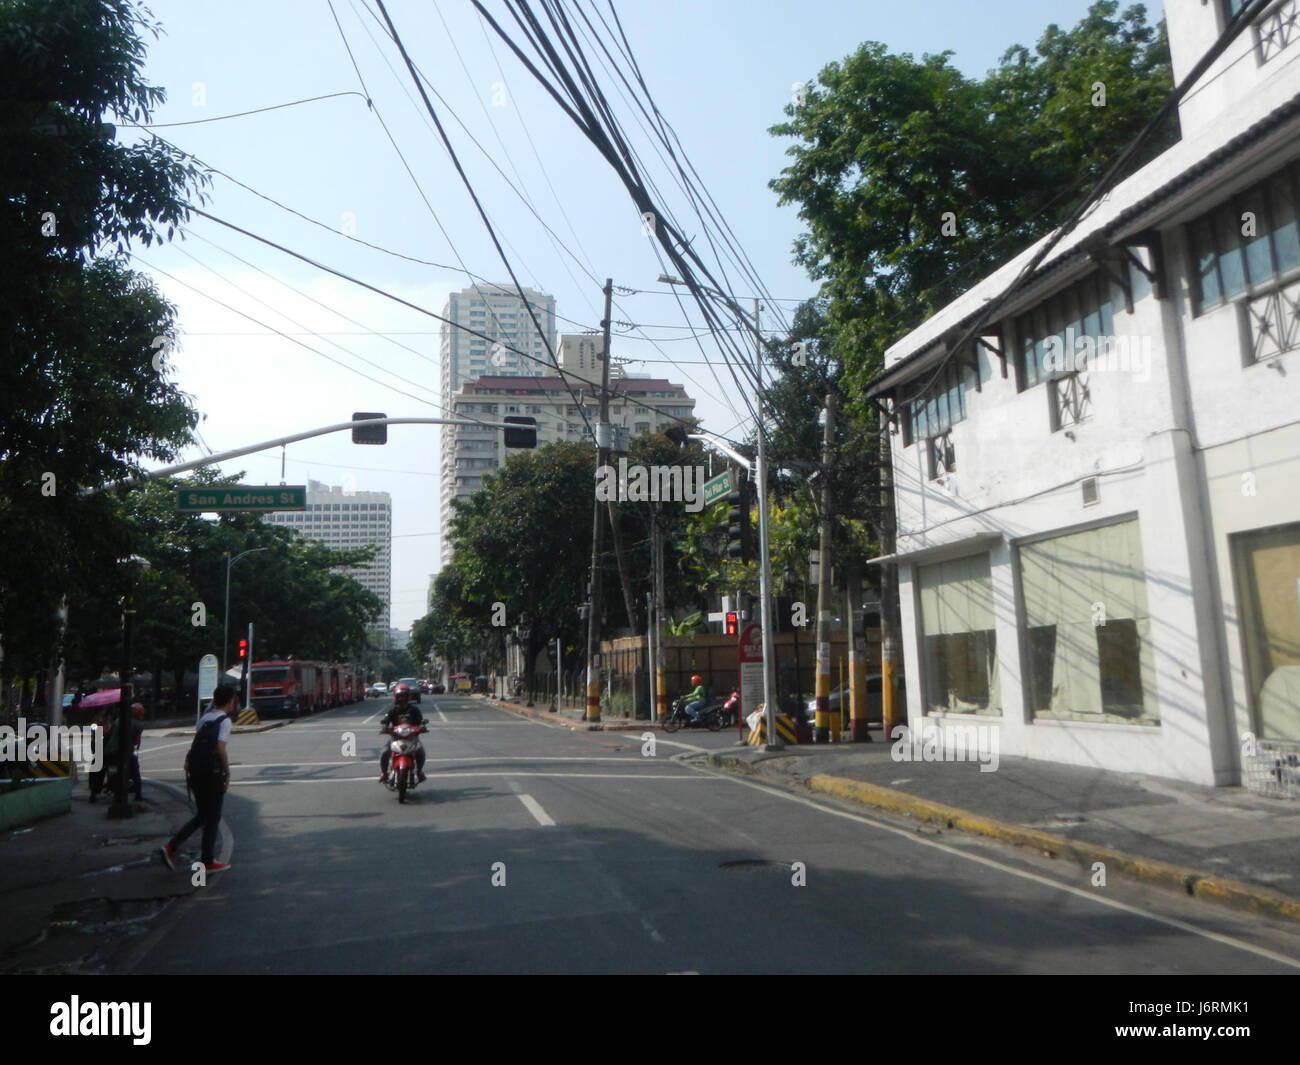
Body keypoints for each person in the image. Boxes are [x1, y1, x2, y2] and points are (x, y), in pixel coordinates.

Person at [159, 684, 238, 874]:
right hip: (212, 774)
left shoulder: (204, 719)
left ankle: (171, 847)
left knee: (202, 815)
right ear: (230, 701)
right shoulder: (224, 721)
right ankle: (207, 861)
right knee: (212, 817)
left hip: (195, 773)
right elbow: (220, 749)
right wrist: (227, 772)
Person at [379, 686, 426, 783]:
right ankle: (384, 773)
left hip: (412, 738)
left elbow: (420, 721)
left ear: (408, 697)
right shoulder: (392, 711)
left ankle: (419, 771)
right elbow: (386, 721)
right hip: (395, 738)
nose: (402, 699)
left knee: (420, 752)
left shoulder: (414, 710)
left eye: (404, 696)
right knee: (384, 752)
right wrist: (385, 727)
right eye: (400, 696)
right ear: (396, 697)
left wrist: (422, 727)